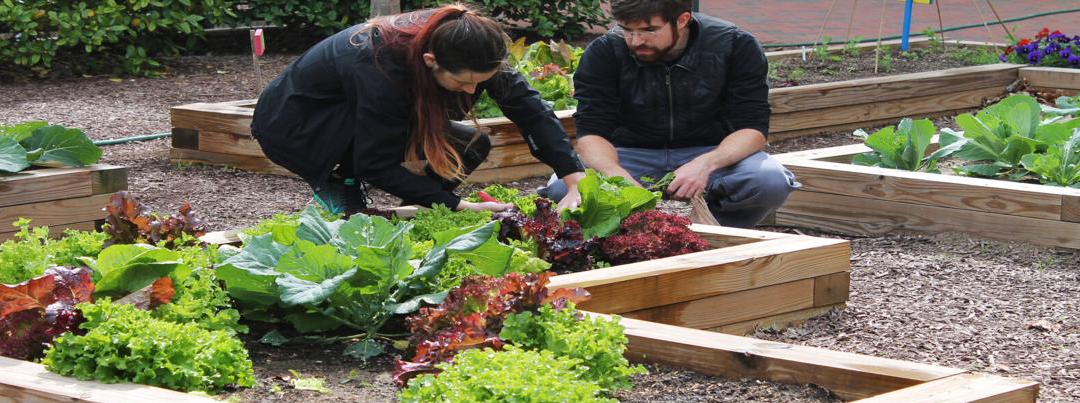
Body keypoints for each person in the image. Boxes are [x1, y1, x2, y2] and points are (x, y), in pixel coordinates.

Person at [251, 4, 586, 216]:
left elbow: (531, 111)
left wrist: (574, 178)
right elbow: (376, 163)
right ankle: (340, 181)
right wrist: (461, 206)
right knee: (353, 216)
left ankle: (415, 209)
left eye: (479, 83)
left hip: (352, 110)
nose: (472, 92)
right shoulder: (380, 66)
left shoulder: (474, 48)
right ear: (431, 61)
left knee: (471, 145)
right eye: (464, 83)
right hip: (297, 125)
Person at [541, 0, 796, 227]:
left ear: (683, 20)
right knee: (562, 187)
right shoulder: (605, 51)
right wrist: (619, 179)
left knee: (770, 181)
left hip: (709, 149)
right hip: (629, 153)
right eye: (628, 30)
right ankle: (625, 235)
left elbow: (753, 128)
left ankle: (718, 233)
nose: (636, 41)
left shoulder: (734, 45)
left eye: (649, 30)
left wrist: (706, 164)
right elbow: (591, 132)